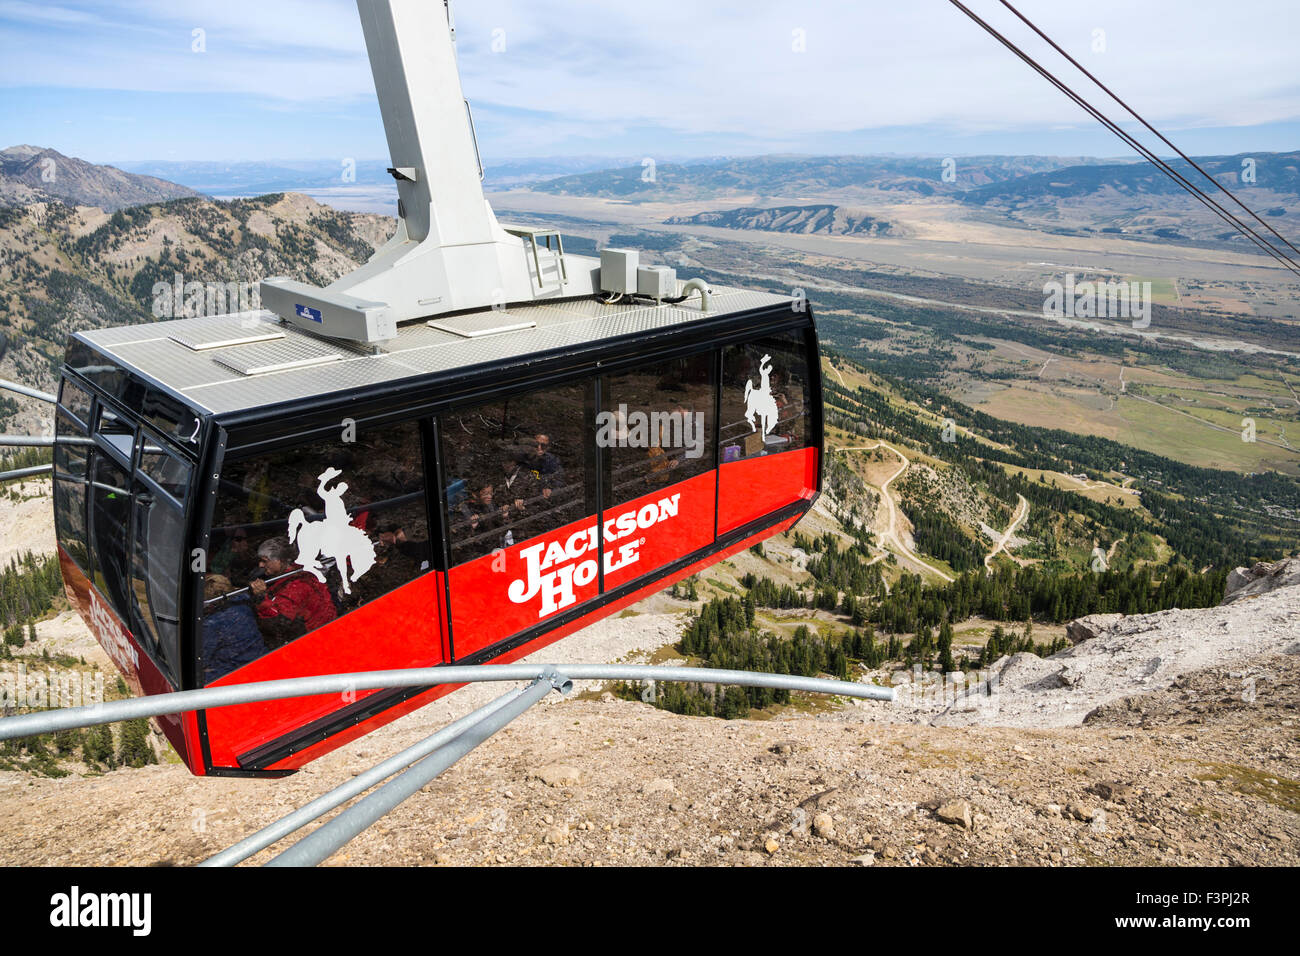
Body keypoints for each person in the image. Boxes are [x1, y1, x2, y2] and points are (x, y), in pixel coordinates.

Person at [249, 536, 336, 649]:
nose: (260, 565)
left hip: (313, 643)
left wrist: (261, 598)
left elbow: (279, 625)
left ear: (280, 561)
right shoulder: (300, 572)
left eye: (265, 561)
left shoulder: (297, 586)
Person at [200, 574, 266, 683]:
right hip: (257, 656)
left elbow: (202, 659)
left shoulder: (213, 622)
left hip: (234, 667)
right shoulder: (242, 600)